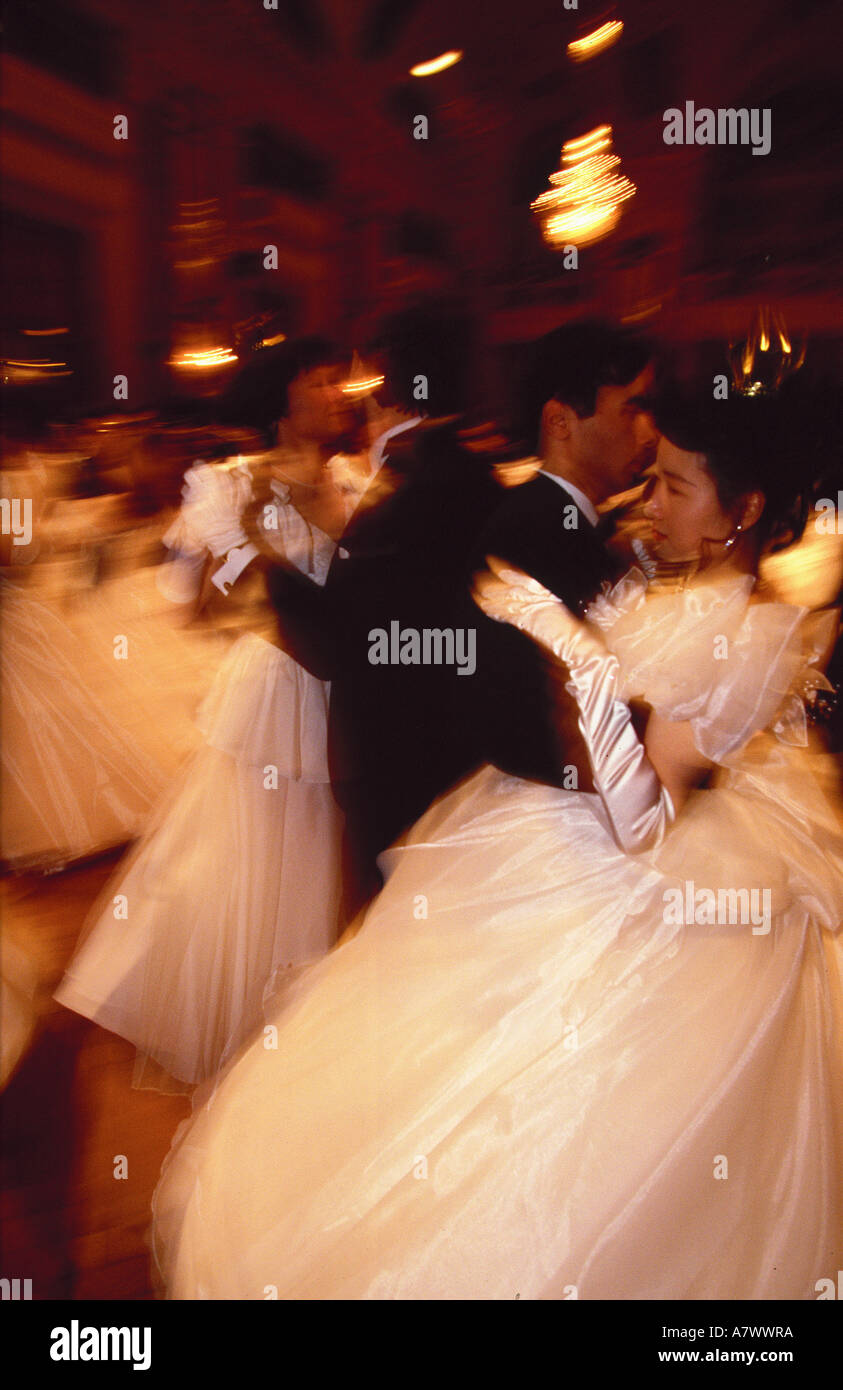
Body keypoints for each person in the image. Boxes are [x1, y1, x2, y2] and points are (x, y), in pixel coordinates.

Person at [152, 384, 842, 1298]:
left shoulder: (759, 637)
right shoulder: (675, 579)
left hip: (656, 887)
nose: (651, 499)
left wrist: (568, 650)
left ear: (744, 508)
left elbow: (641, 817)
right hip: (560, 828)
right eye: (657, 479)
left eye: (677, 486)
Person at [55, 340, 362, 1089]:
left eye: (338, 379)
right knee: (254, 855)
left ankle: (321, 1018)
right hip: (275, 689)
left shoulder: (356, 479)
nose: (338, 394)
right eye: (320, 380)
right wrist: (248, 577)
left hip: (346, 691)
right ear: (282, 399)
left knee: (329, 853)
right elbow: (182, 600)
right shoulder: (232, 486)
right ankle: (253, 1023)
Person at [263, 309, 502, 913]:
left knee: (398, 922)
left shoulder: (412, 486)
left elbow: (337, 637)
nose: (348, 390)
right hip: (461, 737)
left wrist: (283, 572)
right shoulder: (477, 472)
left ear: (387, 380)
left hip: (400, 749)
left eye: (359, 374)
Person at [457, 319, 658, 793]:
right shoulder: (529, 531)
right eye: (632, 409)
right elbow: (516, 707)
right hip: (561, 803)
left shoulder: (575, 523)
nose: (649, 433)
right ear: (560, 421)